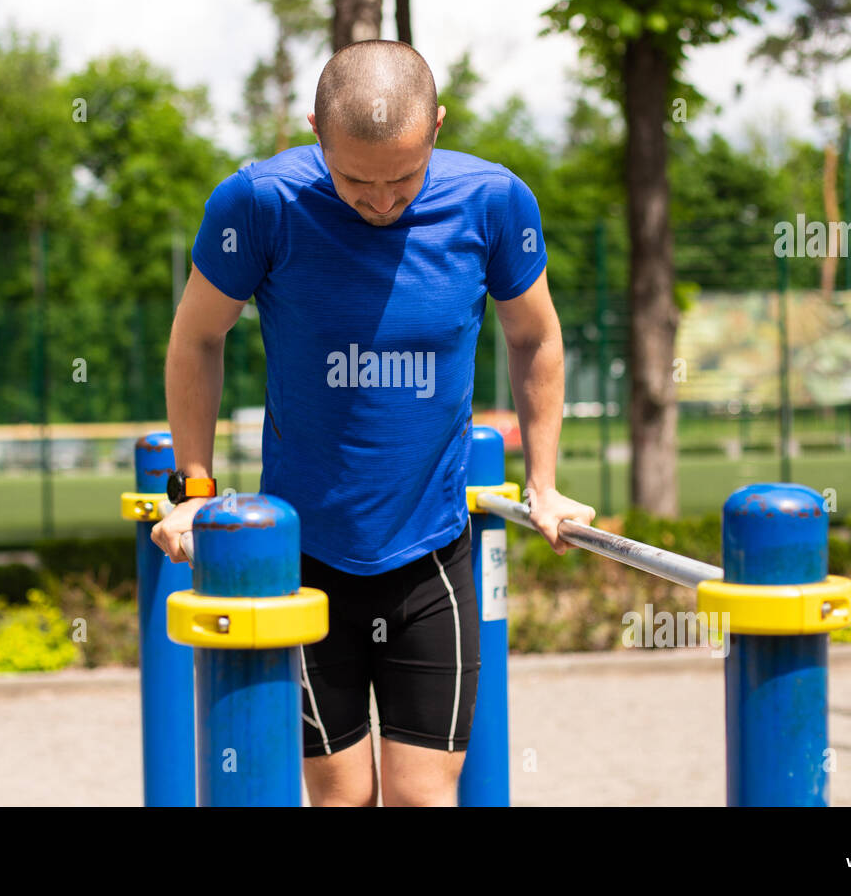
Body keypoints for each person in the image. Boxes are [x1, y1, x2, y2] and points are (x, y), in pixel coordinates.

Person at [152, 40, 594, 807]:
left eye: (406, 178)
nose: (383, 202)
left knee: (424, 799)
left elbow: (535, 336)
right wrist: (193, 487)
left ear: (437, 128)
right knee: (342, 799)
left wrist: (545, 485)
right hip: (305, 555)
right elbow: (197, 337)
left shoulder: (493, 203)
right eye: (356, 179)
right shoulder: (258, 204)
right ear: (317, 128)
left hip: (432, 556)